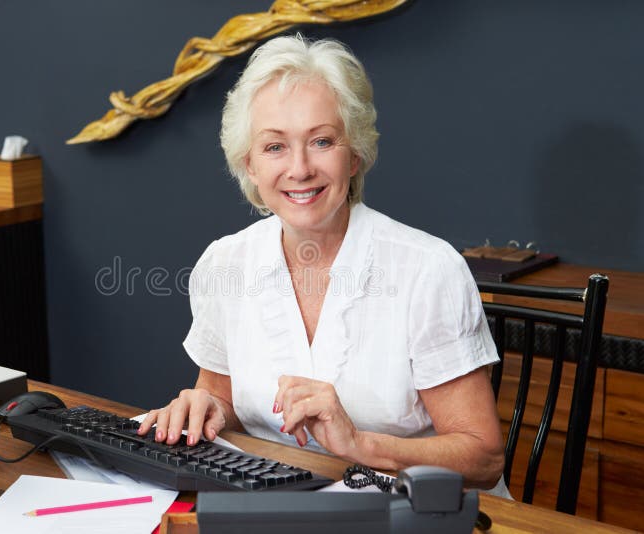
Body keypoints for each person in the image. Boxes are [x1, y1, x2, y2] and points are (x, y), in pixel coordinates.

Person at [138, 34, 507, 493]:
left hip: (413, 513)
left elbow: (484, 456)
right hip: (277, 507)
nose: (299, 168)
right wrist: (207, 407)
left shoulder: (429, 271)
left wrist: (358, 443)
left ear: (354, 154)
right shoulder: (224, 263)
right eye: (274, 147)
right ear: (249, 165)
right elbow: (222, 395)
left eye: (321, 141)